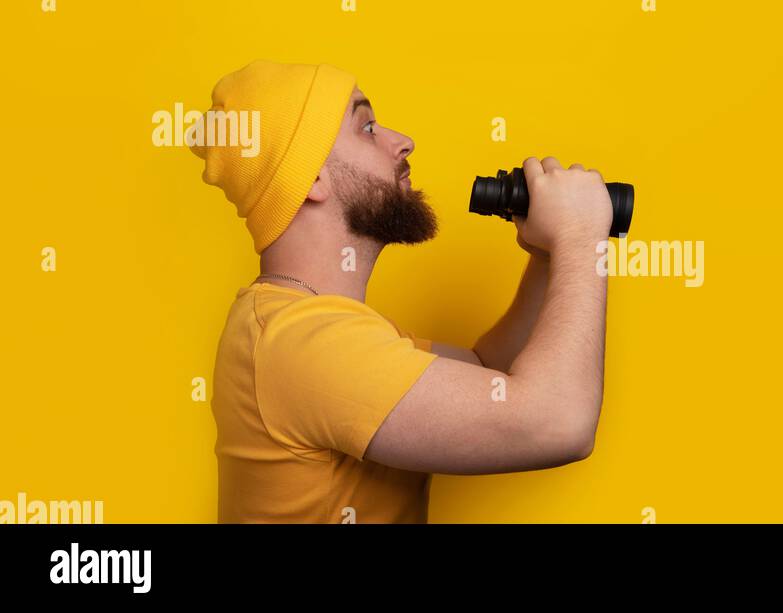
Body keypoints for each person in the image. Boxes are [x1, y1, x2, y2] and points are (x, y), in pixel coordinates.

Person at [191, 60, 611, 522]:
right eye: (367, 127)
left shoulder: (313, 327)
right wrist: (580, 238)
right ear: (310, 179)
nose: (402, 141)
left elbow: (488, 372)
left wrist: (547, 257)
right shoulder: (300, 342)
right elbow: (558, 423)